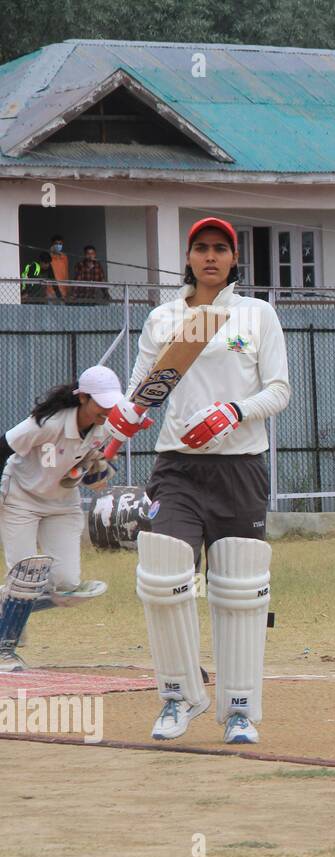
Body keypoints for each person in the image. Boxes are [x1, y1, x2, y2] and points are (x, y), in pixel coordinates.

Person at [123, 216, 290, 744]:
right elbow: (143, 388)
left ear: (234, 259)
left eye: (221, 248)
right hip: (177, 465)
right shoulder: (164, 317)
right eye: (201, 249)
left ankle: (239, 709)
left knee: (239, 585)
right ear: (189, 257)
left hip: (240, 466)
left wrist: (233, 412)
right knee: (162, 570)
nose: (211, 257)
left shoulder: (255, 314)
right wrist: (124, 417)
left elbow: (279, 390)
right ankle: (178, 697)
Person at [0, 366, 120, 669]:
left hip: (62, 505)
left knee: (68, 588)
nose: (106, 409)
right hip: (20, 499)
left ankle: (8, 603)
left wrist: (97, 472)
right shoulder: (46, 423)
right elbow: (2, 447)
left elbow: (92, 474)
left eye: (111, 402)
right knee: (24, 575)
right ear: (82, 398)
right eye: (100, 402)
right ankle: (5, 649)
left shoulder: (103, 429)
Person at [47, 236, 70, 303]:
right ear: (52, 245)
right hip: (50, 291)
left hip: (63, 291)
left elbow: (66, 274)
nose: (58, 246)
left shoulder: (64, 257)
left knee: (61, 312)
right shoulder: (49, 257)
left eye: (60, 244)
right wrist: (51, 252)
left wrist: (68, 289)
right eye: (56, 244)